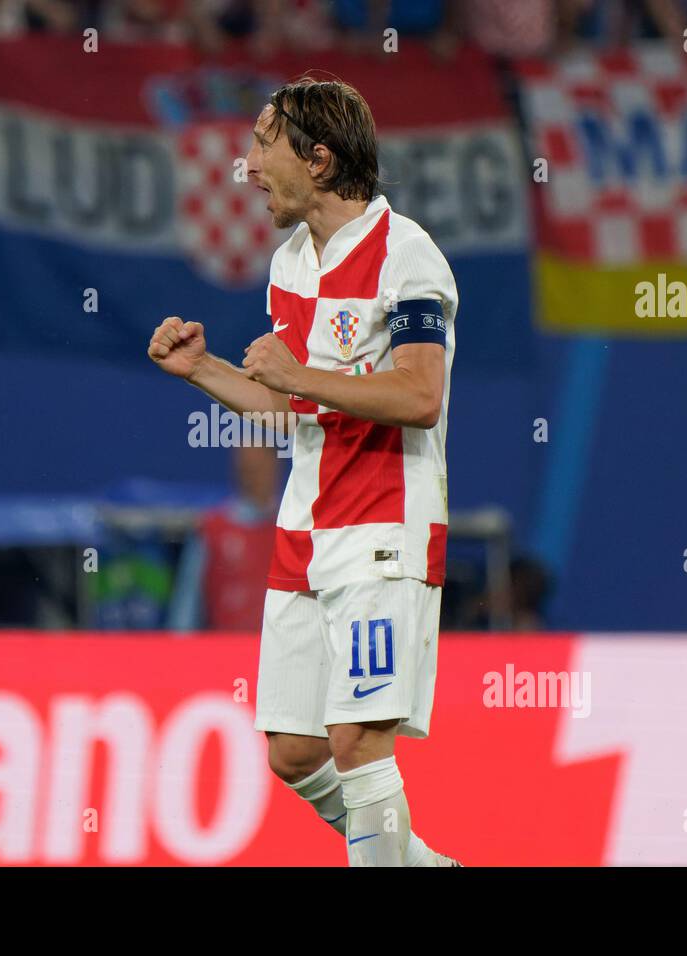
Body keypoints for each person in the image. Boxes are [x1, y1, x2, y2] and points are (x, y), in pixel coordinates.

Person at [148, 77, 459, 866]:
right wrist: (204, 371)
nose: (246, 166)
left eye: (262, 143)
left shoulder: (407, 255)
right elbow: (290, 405)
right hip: (305, 528)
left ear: (318, 160)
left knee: (357, 741)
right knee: (292, 749)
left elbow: (421, 396)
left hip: (382, 531)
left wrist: (298, 377)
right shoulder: (290, 262)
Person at [167, 444, 280, 632]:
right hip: (225, 652)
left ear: (274, 467)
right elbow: (186, 608)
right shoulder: (212, 530)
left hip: (278, 653)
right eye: (246, 469)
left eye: (258, 468)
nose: (252, 477)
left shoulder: (293, 527)